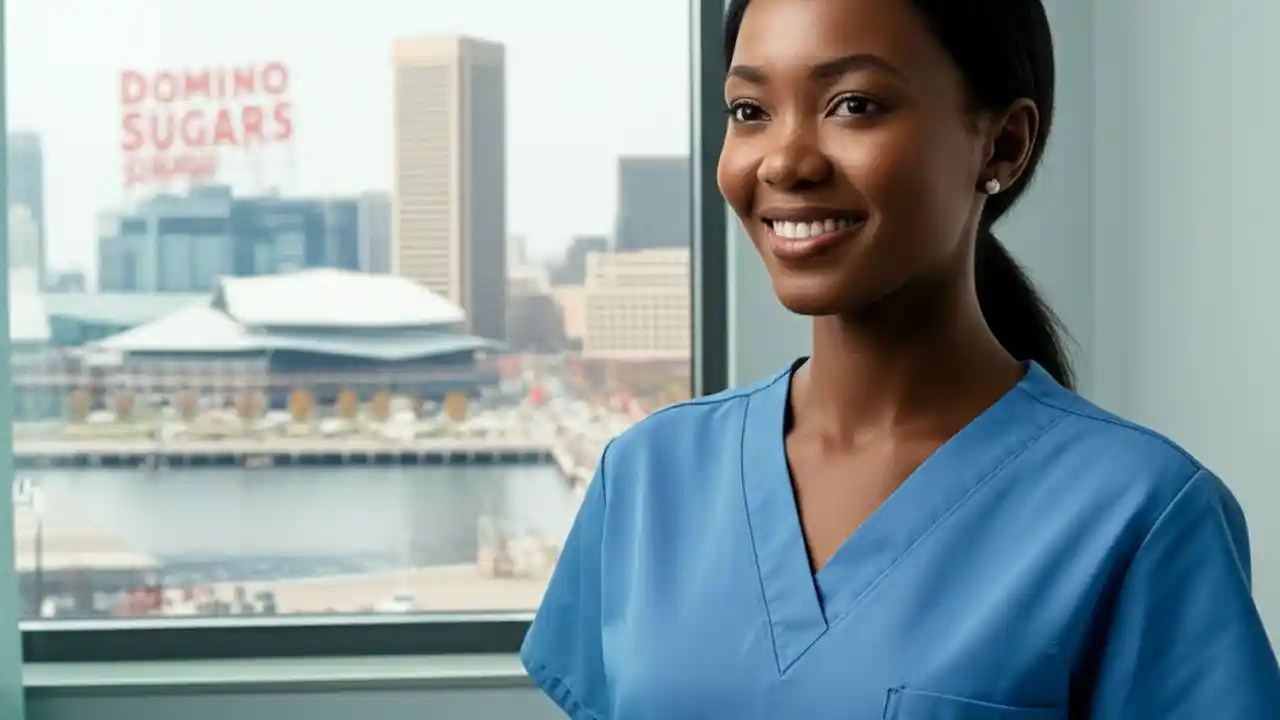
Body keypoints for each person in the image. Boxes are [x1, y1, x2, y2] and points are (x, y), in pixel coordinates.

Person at [522, 0, 1280, 717]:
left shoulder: (1141, 513)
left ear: (1003, 145)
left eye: (853, 104)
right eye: (750, 111)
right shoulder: (649, 477)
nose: (785, 162)